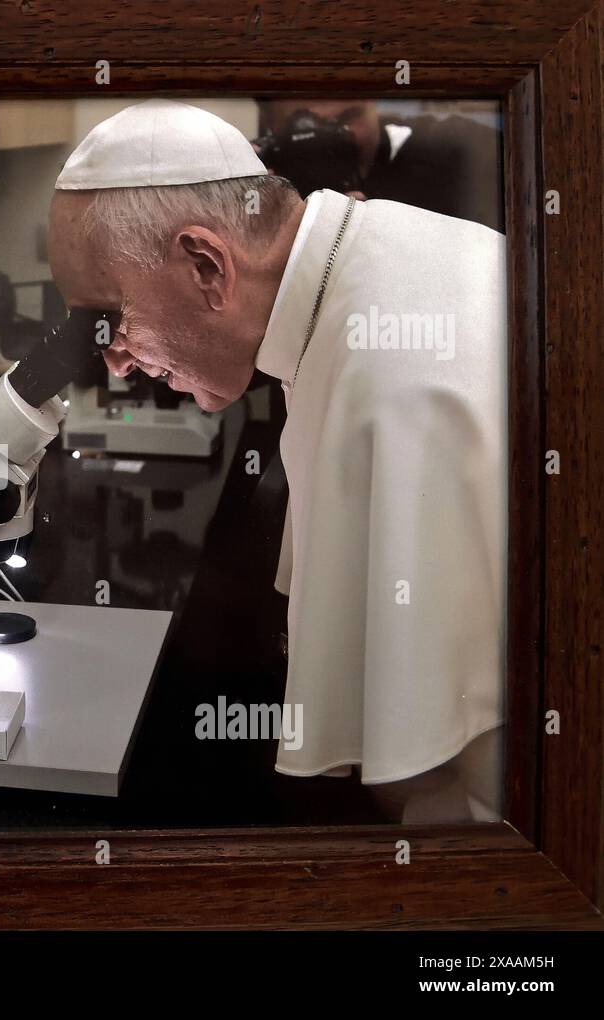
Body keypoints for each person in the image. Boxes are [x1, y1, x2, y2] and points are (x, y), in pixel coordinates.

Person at [49, 99, 506, 821]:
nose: (114, 362)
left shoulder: (397, 373)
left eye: (110, 318)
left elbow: (466, 771)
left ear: (206, 265)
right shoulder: (357, 275)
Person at [255, 99, 504, 231]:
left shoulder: (465, 153)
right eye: (307, 127)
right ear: (270, 126)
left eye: (347, 118)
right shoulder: (257, 178)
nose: (334, 142)